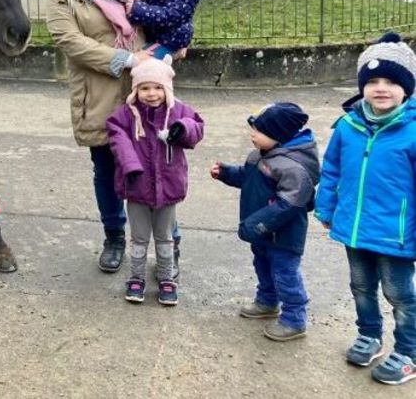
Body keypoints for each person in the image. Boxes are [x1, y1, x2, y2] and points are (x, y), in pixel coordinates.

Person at [46, 0, 158, 274]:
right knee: (107, 168)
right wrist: (124, 58)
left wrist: (174, 43)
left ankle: (168, 238)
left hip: (144, 90)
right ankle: (114, 237)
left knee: (155, 164)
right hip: (99, 91)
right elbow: (68, 40)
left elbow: (155, 18)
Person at [315, 32, 416, 385]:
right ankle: (369, 335)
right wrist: (326, 208)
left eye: (391, 81)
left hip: (397, 234)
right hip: (354, 227)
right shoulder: (348, 125)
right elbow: (331, 170)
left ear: (407, 89)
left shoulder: (412, 131)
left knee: (400, 294)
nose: (381, 88)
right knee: (361, 286)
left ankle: (408, 351)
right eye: (372, 81)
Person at [211, 102, 319, 342]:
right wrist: (227, 173)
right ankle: (267, 301)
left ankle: (294, 319)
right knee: (262, 266)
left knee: (285, 275)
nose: (252, 135)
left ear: (277, 135)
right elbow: (247, 177)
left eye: (258, 131)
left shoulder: (293, 169)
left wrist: (256, 225)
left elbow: (288, 205)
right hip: (260, 232)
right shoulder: (260, 155)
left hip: (283, 237)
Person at [106, 58, 204, 305]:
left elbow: (197, 127)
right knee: (139, 237)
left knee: (165, 236)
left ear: (167, 88)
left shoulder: (178, 111)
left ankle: (166, 277)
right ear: (135, 89)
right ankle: (136, 277)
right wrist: (130, 165)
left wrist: (183, 129)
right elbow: (116, 136)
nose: (152, 94)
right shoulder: (126, 115)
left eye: (158, 87)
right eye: (145, 88)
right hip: (137, 185)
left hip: (168, 187)